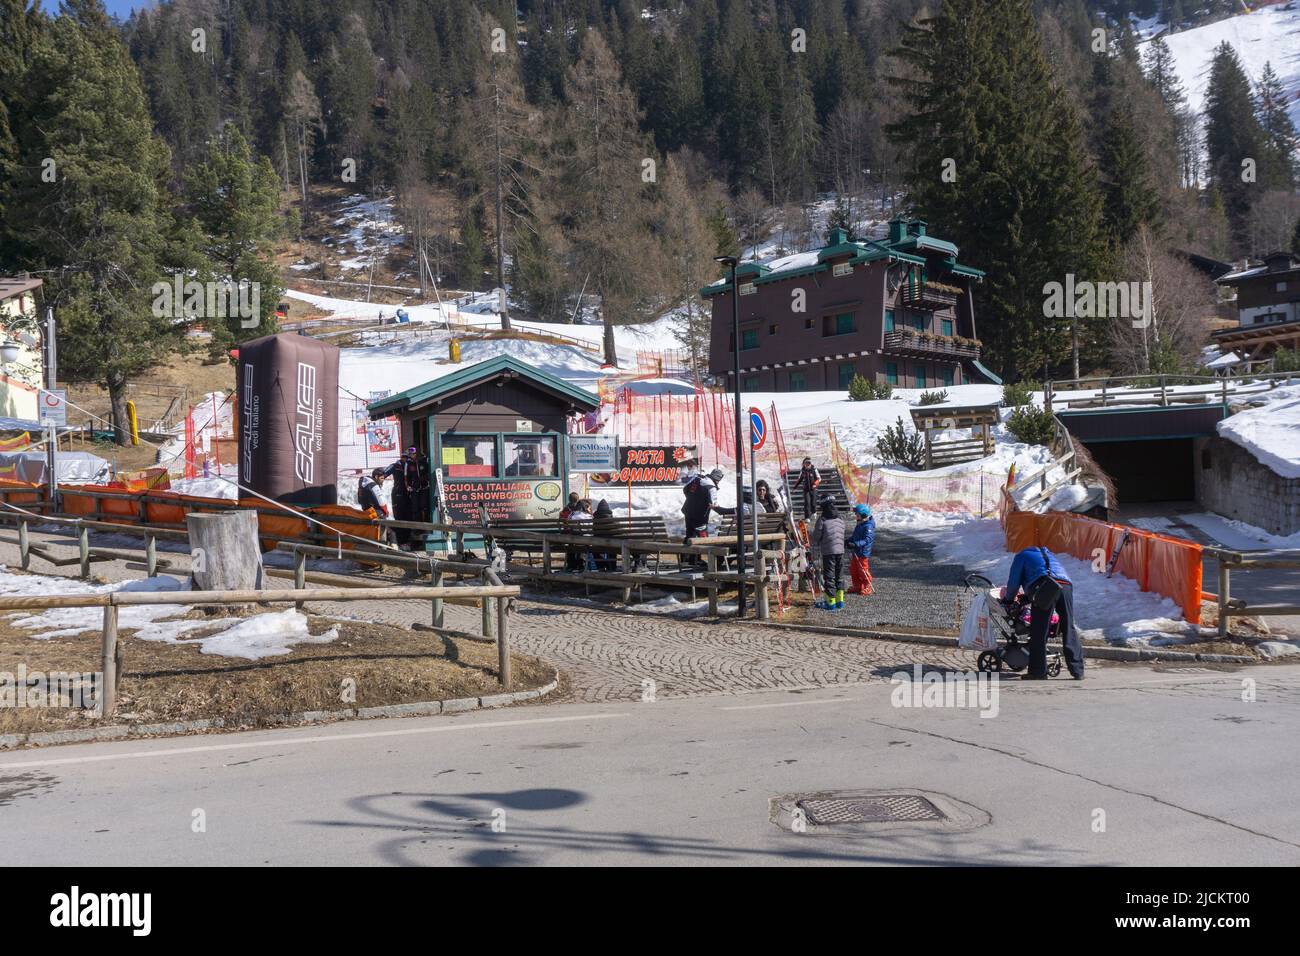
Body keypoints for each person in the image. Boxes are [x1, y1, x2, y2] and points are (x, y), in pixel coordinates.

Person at [1004, 546, 1084, 680]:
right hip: (1066, 585)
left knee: (1039, 630)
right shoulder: (1048, 554)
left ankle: (1038, 671)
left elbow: (1014, 582)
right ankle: (1077, 670)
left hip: (1045, 585)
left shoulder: (1021, 556)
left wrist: (1008, 600)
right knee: (1068, 626)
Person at [810, 498, 846, 610]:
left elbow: (816, 537)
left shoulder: (823, 519)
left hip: (828, 551)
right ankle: (840, 601)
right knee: (839, 575)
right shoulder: (840, 518)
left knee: (829, 576)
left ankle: (831, 603)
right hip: (840, 550)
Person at [847, 504, 875, 595]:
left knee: (863, 570)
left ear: (863, 515)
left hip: (863, 552)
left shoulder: (868, 526)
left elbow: (868, 539)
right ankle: (857, 585)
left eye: (857, 514)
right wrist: (848, 541)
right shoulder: (860, 524)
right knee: (854, 569)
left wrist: (856, 544)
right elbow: (855, 536)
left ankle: (868, 586)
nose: (856, 516)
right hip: (856, 551)